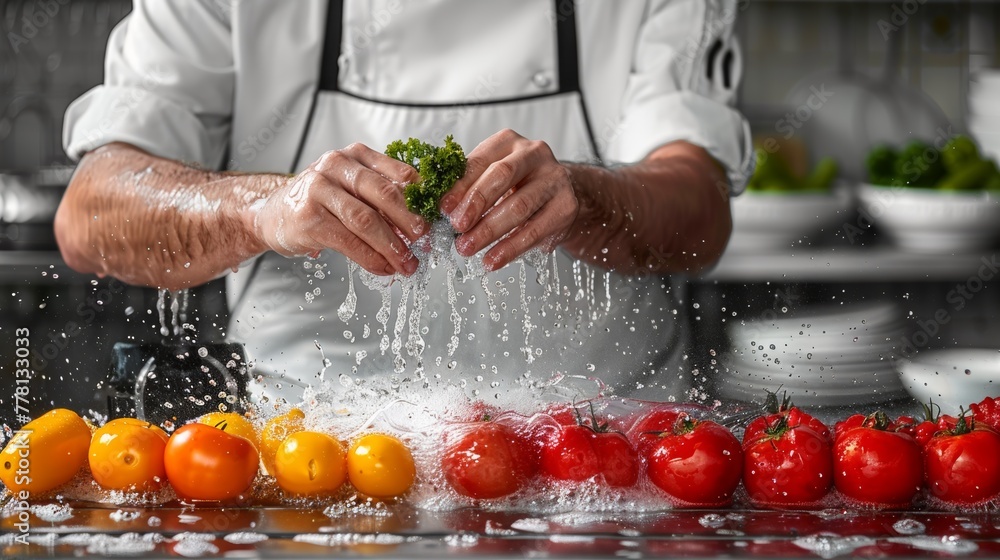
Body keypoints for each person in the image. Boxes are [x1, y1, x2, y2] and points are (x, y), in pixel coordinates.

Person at [56, 0, 752, 405]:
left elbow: (701, 211)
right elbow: (89, 215)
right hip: (313, 455)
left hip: (609, 454)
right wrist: (264, 207)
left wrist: (590, 196)